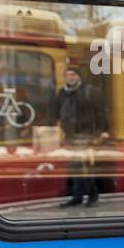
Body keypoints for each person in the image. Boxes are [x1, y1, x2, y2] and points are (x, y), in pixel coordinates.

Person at [50, 66, 107, 207]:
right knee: (74, 166)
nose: (70, 77)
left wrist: (101, 132)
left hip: (86, 133)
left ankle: (91, 193)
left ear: (79, 76)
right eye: (68, 74)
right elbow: (56, 111)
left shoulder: (90, 91)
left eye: (73, 74)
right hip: (70, 134)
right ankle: (78, 196)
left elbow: (101, 113)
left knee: (84, 165)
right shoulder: (62, 92)